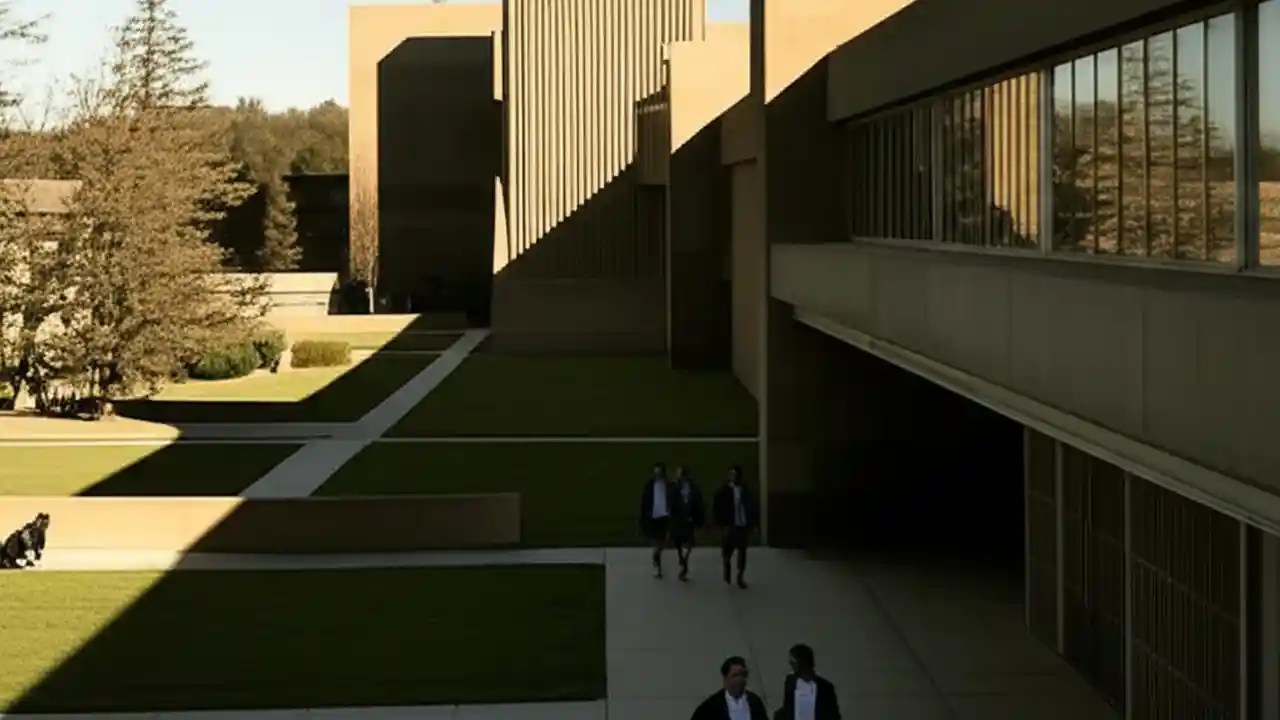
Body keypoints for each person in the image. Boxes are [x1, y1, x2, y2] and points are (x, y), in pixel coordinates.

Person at [713, 465, 758, 589]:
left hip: (742, 524)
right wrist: (721, 524)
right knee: (727, 552)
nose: (731, 476)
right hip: (730, 525)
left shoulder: (745, 489)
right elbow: (718, 507)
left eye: (733, 474)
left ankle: (740, 576)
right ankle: (727, 569)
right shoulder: (724, 490)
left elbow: (751, 506)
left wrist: (753, 523)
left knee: (742, 551)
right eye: (730, 474)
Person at [773, 644, 841, 720]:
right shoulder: (790, 683)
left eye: (793, 659)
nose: (791, 663)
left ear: (803, 661)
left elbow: (833, 715)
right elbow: (788, 708)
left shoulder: (825, 687)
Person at [690, 656, 768, 720]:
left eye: (743, 675)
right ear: (725, 679)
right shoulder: (711, 706)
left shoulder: (754, 702)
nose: (739, 679)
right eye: (735, 675)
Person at [639, 462, 675, 578]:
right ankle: (656, 563)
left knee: (663, 541)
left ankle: (657, 559)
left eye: (659, 473)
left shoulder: (669, 486)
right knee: (657, 542)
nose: (657, 475)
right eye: (655, 473)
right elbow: (645, 504)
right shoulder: (649, 487)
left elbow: (674, 500)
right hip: (654, 518)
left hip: (665, 517)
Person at [670, 466, 706, 581]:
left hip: (689, 520)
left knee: (689, 541)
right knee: (678, 541)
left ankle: (684, 562)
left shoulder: (693, 489)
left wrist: (696, 517)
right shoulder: (675, 488)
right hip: (679, 520)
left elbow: (698, 502)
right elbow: (671, 503)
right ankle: (682, 558)